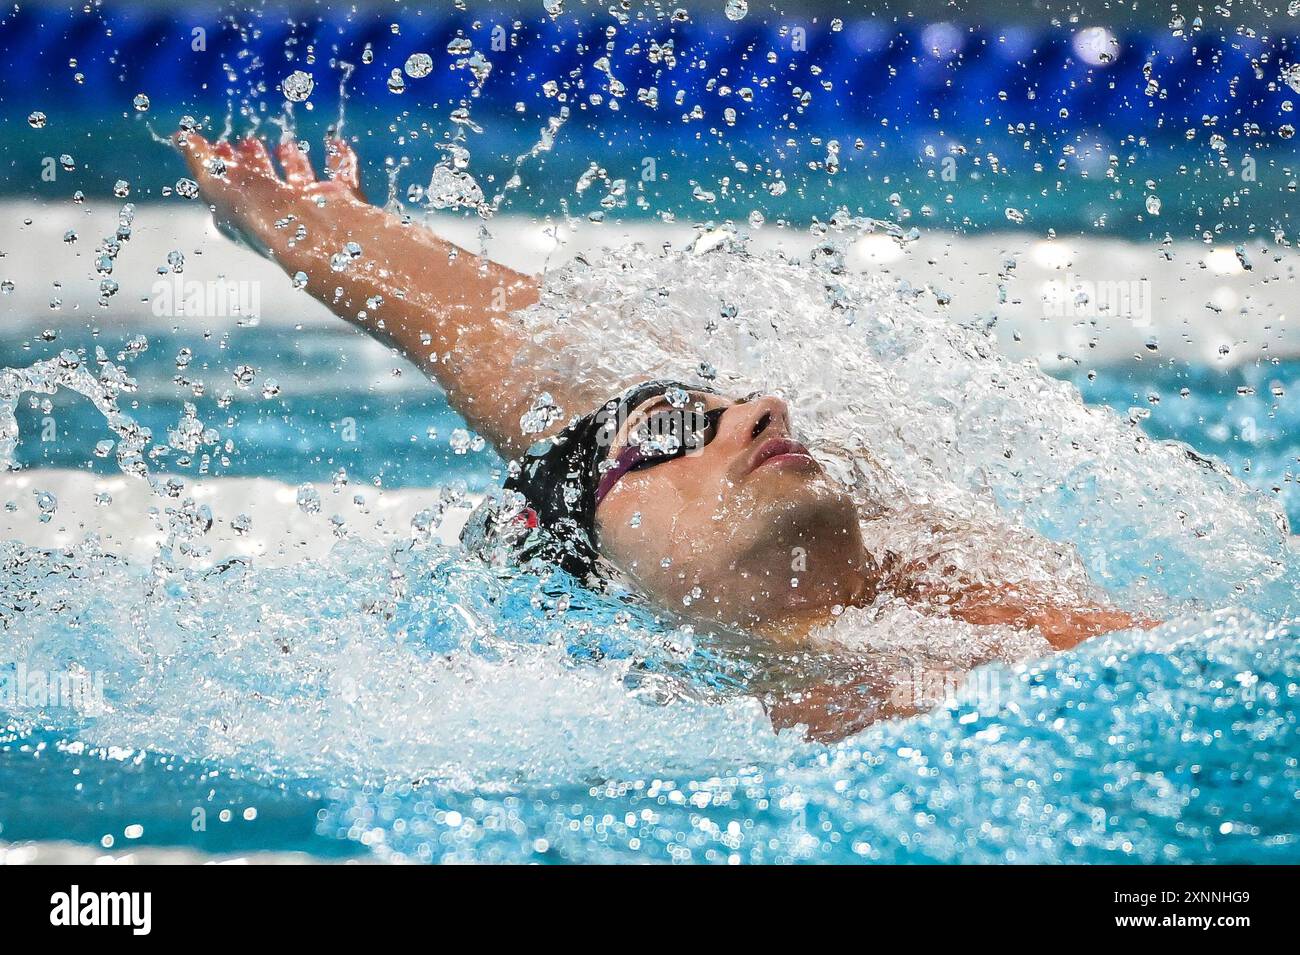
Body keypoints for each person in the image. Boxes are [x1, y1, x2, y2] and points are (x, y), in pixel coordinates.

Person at [176, 131, 1149, 739]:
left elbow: (539, 366)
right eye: (675, 426)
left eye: (721, 409)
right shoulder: (596, 722)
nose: (764, 407)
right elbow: (544, 385)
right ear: (591, 570)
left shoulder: (995, 610)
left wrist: (334, 232)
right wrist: (317, 229)